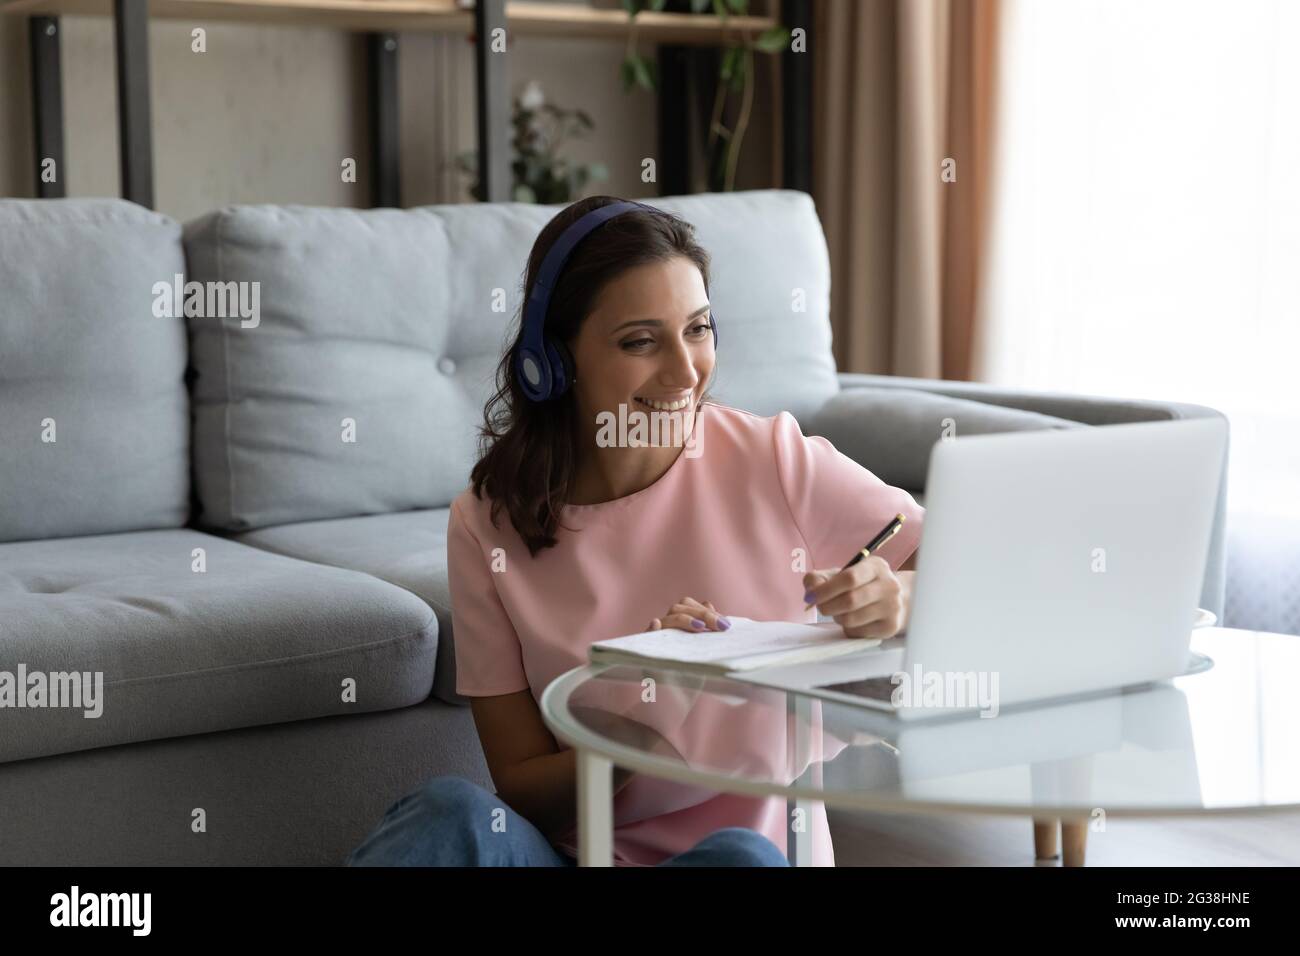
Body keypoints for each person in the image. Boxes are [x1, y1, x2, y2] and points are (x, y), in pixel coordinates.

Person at [347, 196, 924, 867]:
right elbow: (523, 788)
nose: (685, 373)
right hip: (578, 857)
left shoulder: (773, 458)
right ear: (554, 362)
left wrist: (901, 597)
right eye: (641, 341)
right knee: (450, 814)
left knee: (742, 857)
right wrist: (640, 721)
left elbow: (960, 562)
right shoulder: (485, 523)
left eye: (699, 329)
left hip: (738, 859)